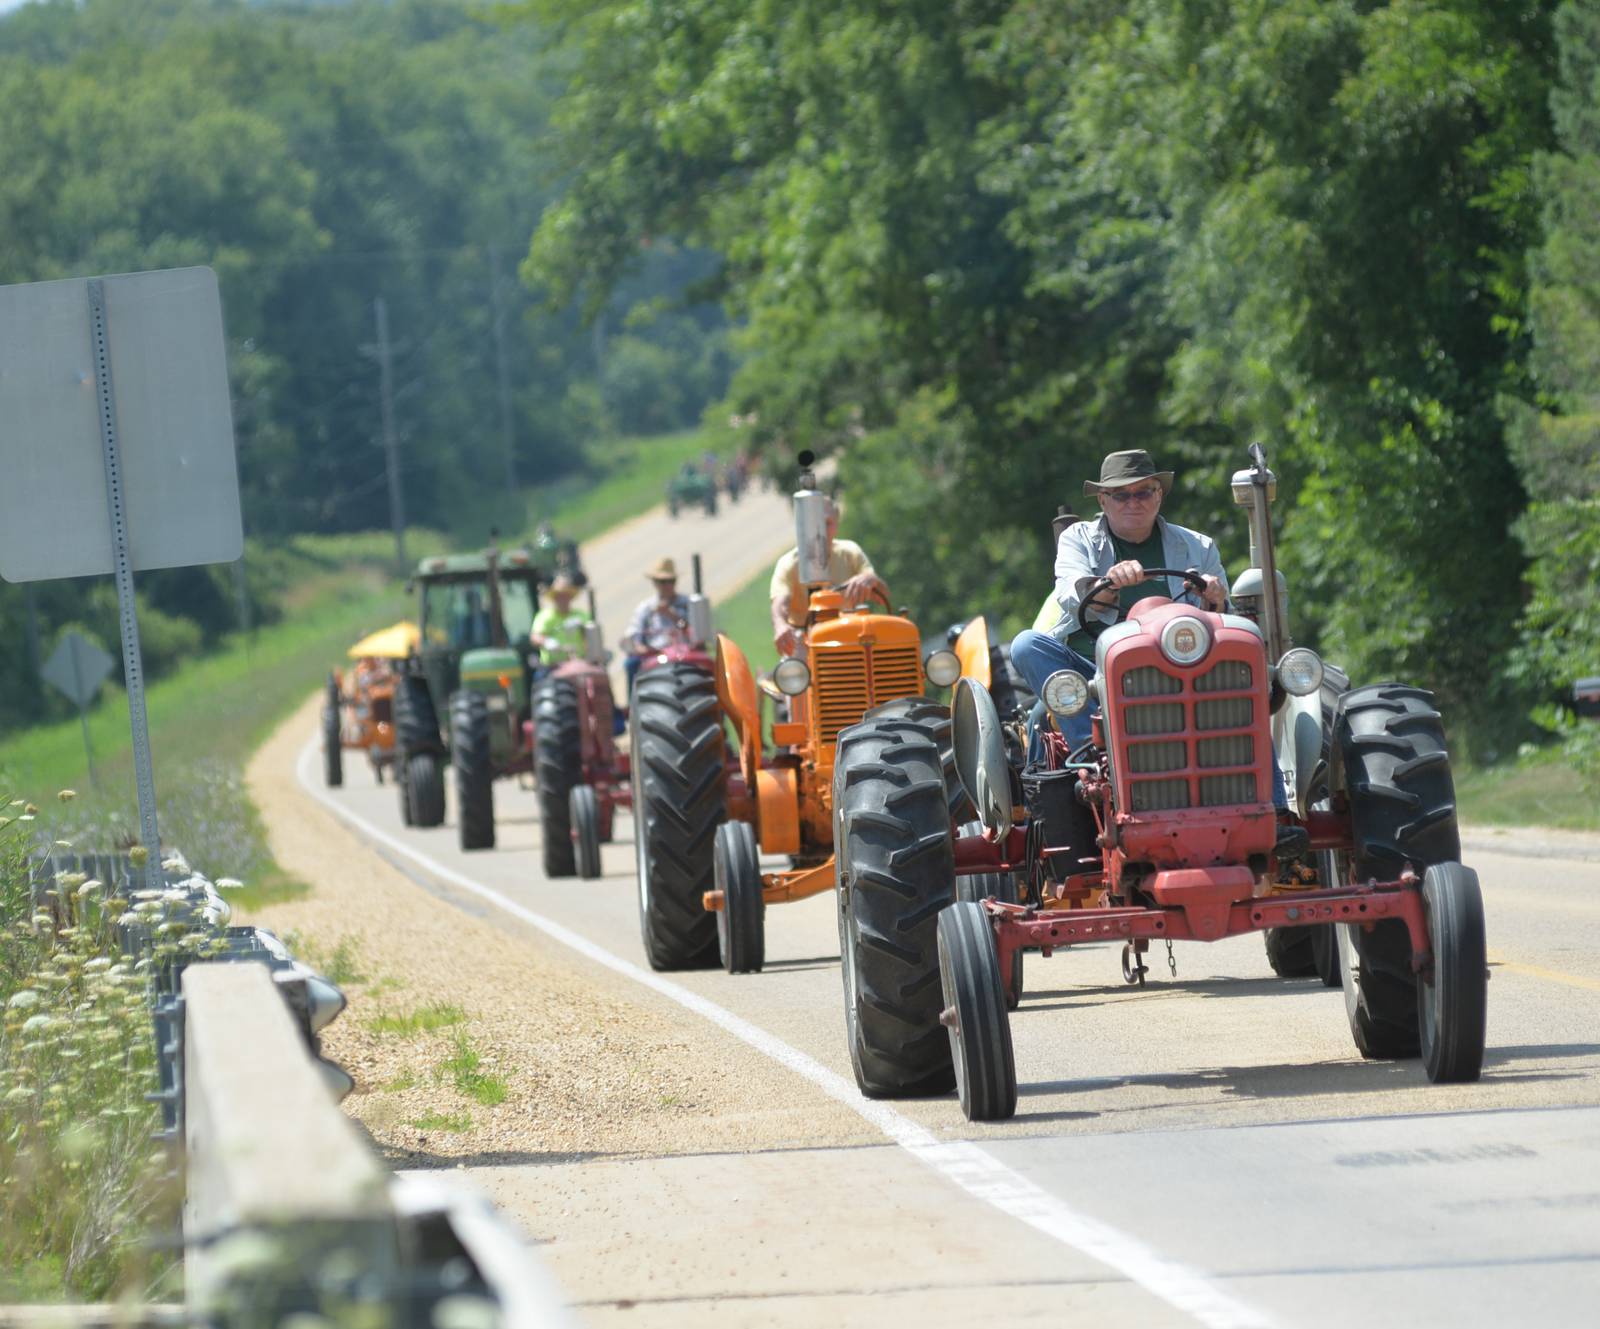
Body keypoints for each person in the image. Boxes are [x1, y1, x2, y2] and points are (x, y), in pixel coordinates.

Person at [1011, 449, 1293, 820]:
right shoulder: (1078, 539)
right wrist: (1108, 584)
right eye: (1121, 495)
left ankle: (1276, 812)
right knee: (1026, 645)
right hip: (1094, 675)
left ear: (1158, 495)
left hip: (1182, 671)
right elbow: (1071, 591)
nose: (1134, 502)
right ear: (1103, 500)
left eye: (1143, 492)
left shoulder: (1198, 546)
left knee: (1246, 684)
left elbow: (1220, 623)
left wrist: (1214, 599)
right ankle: (1095, 752)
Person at [768, 497, 887, 657]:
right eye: (814, 524)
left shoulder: (850, 553)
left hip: (851, 633)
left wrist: (871, 579)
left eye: (827, 523)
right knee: (795, 665)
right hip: (805, 638)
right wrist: (780, 625)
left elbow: (883, 595)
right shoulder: (788, 563)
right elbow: (780, 602)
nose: (820, 530)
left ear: (836, 525)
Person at [622, 557, 693, 694]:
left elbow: (692, 630)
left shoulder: (687, 603)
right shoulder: (646, 608)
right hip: (653, 654)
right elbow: (634, 633)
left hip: (684, 652)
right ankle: (634, 703)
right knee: (631, 664)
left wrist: (672, 615)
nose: (667, 586)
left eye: (671, 581)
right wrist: (638, 646)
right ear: (655, 583)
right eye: (662, 582)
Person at [528, 573, 592, 666]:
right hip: (552, 666)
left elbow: (590, 636)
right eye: (559, 596)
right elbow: (535, 637)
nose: (562, 599)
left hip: (580, 662)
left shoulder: (581, 615)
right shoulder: (545, 616)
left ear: (570, 597)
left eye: (565, 595)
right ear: (554, 598)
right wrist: (547, 642)